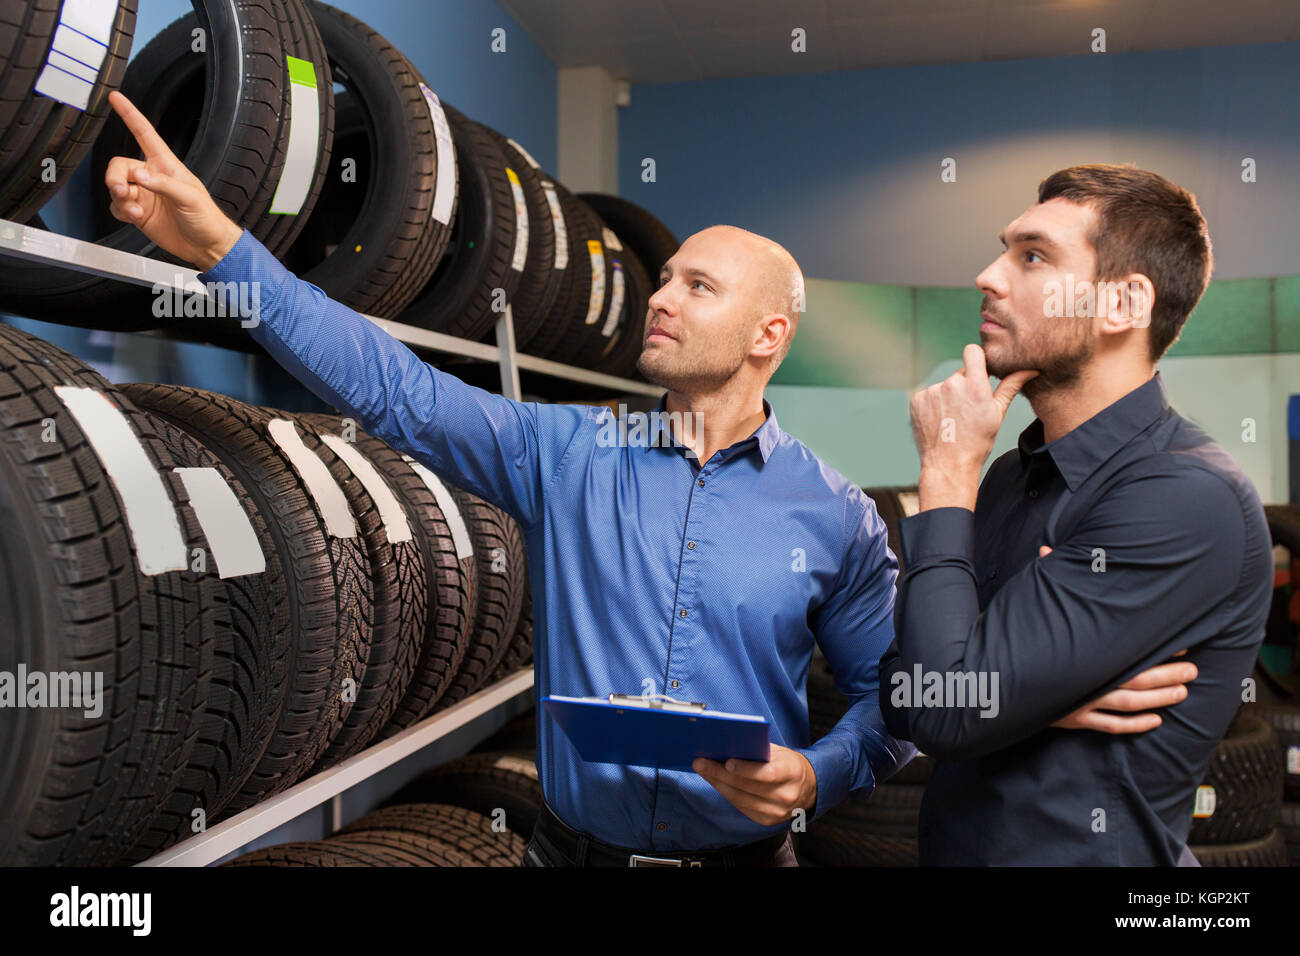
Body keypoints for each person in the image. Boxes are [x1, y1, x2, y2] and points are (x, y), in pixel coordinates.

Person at [102, 93, 1196, 866]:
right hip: (573, 849)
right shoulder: (571, 451)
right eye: (663, 278)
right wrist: (223, 249)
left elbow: (895, 701)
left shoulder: (835, 513)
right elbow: (393, 388)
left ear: (769, 332)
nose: (659, 299)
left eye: (696, 286)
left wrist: (815, 777)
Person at [882, 163, 1272, 865]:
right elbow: (900, 688)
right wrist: (1028, 697)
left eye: (1032, 256)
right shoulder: (1008, 477)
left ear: (1123, 304)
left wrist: (943, 471)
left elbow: (941, 709)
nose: (988, 276)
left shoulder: (1184, 496)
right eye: (1004, 249)